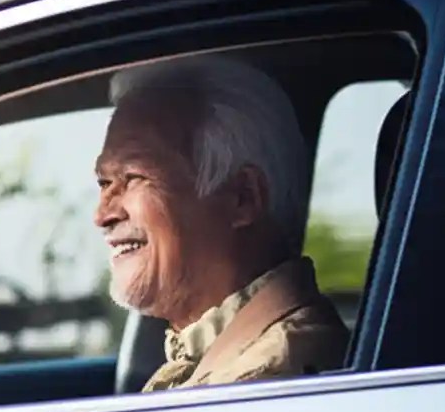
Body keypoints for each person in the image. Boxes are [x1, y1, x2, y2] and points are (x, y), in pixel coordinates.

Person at [93, 54, 348, 392]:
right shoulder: (222, 359)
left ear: (242, 197)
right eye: (103, 183)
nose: (102, 216)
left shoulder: (262, 381)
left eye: (133, 177)